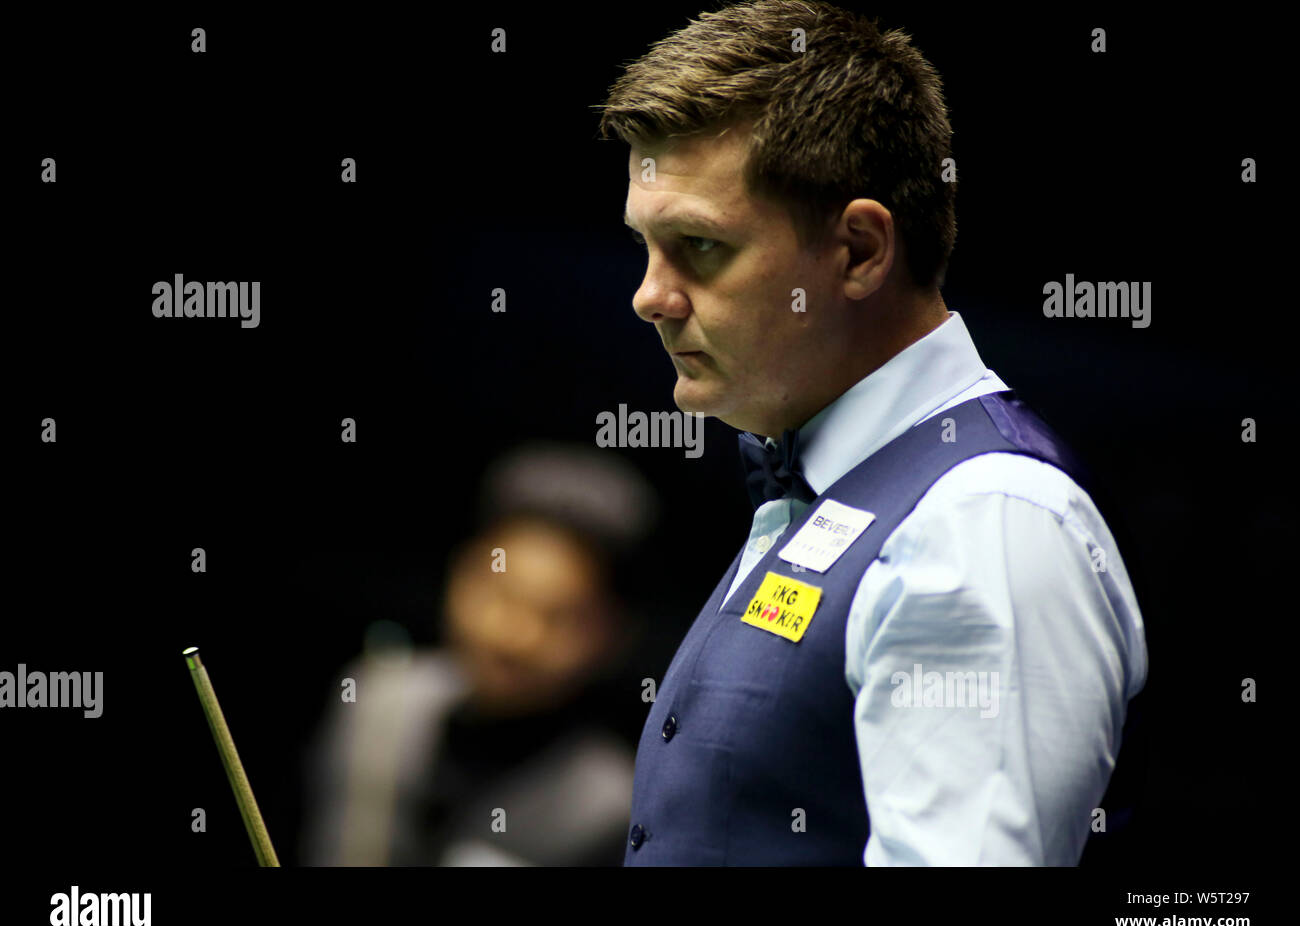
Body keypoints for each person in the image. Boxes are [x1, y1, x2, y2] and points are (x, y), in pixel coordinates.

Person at [597, 0, 1148, 865]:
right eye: (645, 246)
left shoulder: (982, 524)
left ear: (857, 252)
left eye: (698, 246)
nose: (650, 296)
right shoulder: (818, 483)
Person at [302, 443, 659, 866]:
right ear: (461, 571)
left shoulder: (608, 806)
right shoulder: (375, 698)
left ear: (612, 634)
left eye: (559, 616)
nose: (513, 636)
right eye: (500, 593)